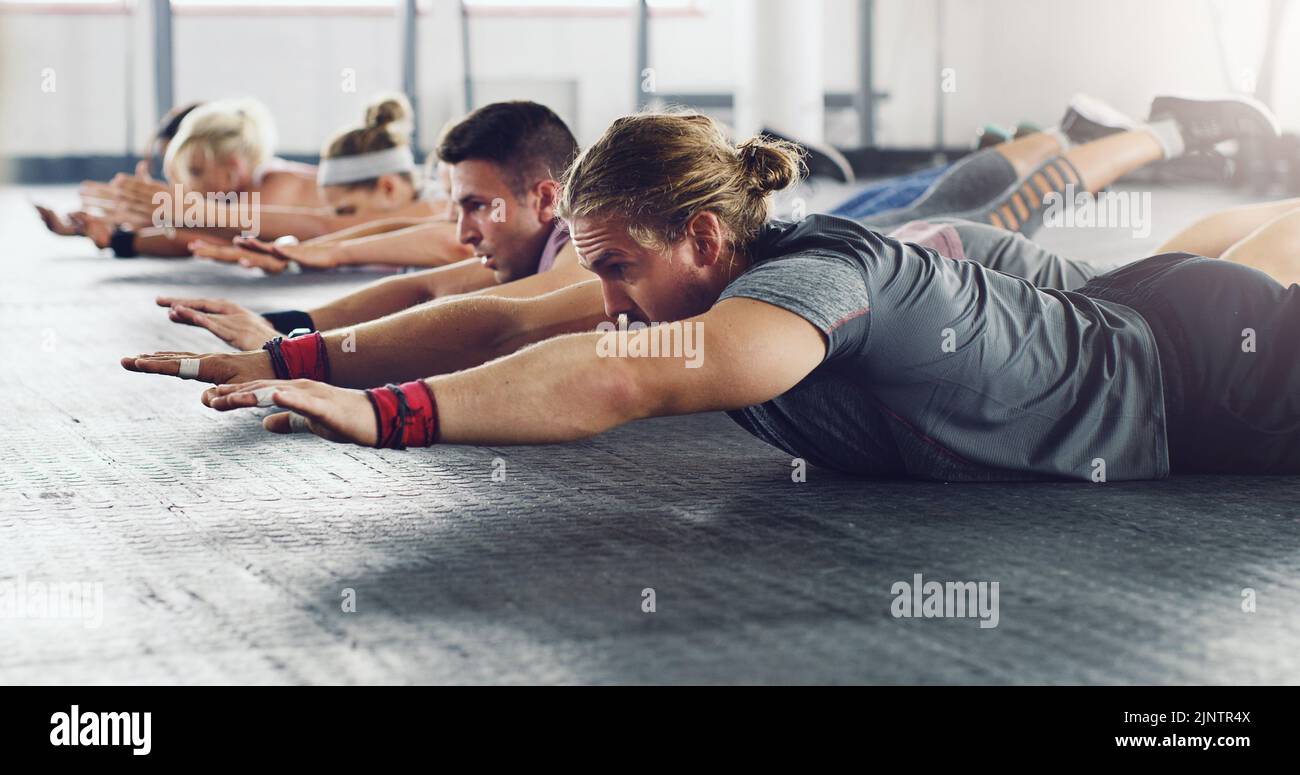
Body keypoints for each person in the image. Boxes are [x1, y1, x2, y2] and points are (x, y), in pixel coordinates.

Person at [122, 111, 1300, 480]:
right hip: (1140, 318)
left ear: (698, 235)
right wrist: (293, 355)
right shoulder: (685, 280)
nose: (604, 298)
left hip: (1203, 378)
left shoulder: (798, 292)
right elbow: (504, 321)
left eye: (616, 267)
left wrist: (387, 415)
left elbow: (619, 380)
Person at [152, 100, 590, 350]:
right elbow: (427, 289)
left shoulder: (580, 244)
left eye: (477, 206)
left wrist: (301, 352)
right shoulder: (533, 244)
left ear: (545, 199)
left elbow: (494, 315)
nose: (464, 232)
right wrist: (282, 323)